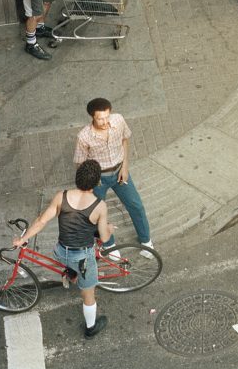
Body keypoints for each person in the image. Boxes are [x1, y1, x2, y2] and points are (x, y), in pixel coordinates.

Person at [14, 159, 113, 339]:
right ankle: (91, 328)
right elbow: (104, 238)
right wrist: (109, 229)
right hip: (82, 257)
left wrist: (23, 239)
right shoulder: (100, 206)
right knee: (88, 293)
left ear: (77, 178)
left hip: (60, 251)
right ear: (97, 182)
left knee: (70, 262)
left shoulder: (61, 196)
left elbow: (41, 221)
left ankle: (71, 272)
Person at [73, 99, 155, 254]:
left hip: (120, 172)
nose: (104, 122)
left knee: (136, 205)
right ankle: (109, 244)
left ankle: (146, 241)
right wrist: (91, 181)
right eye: (100, 118)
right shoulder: (84, 136)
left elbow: (125, 139)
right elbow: (80, 163)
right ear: (92, 117)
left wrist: (125, 166)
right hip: (98, 179)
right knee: (97, 213)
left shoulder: (118, 120)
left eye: (106, 117)